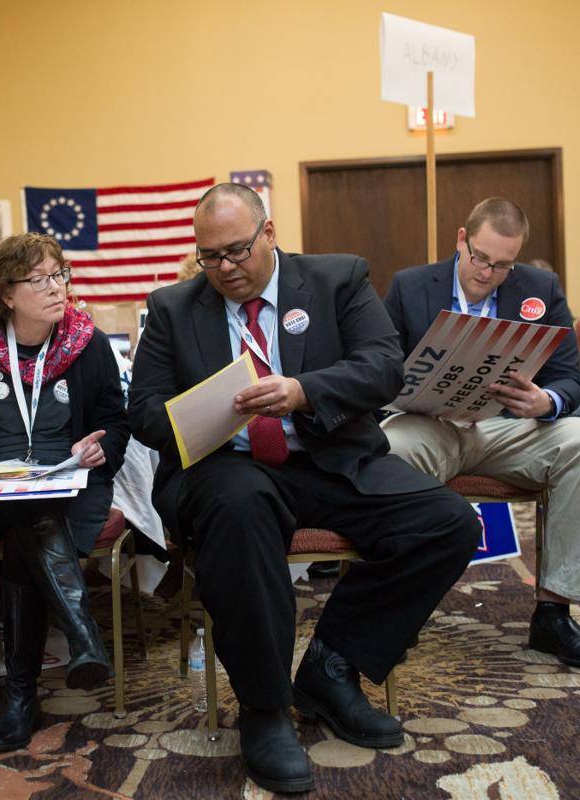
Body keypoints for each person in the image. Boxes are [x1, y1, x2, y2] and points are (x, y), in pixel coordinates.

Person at [129, 183, 482, 794]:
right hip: (226, 467)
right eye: (209, 257)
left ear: (269, 233)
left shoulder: (337, 280)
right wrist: (212, 413)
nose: (225, 269)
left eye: (237, 251)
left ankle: (331, 668)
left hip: (330, 458)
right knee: (239, 510)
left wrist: (302, 391)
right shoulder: (172, 308)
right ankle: (264, 710)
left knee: (448, 523)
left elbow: (383, 366)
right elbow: (145, 414)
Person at [382, 197, 580, 672]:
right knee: (387, 450)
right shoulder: (410, 286)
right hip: (432, 427)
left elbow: (571, 377)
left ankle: (554, 613)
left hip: (510, 429)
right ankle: (394, 610)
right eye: (480, 258)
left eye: (503, 265)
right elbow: (378, 367)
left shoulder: (541, 287)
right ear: (460, 240)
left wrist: (545, 401)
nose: (488, 273)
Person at [0, 232, 128, 752]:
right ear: (7, 294)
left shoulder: (90, 343)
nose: (56, 288)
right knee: (22, 511)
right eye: (39, 279)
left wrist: (104, 447)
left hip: (74, 487)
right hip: (0, 485)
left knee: (25, 526)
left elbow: (114, 419)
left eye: (59, 274)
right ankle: (81, 633)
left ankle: (20, 695)